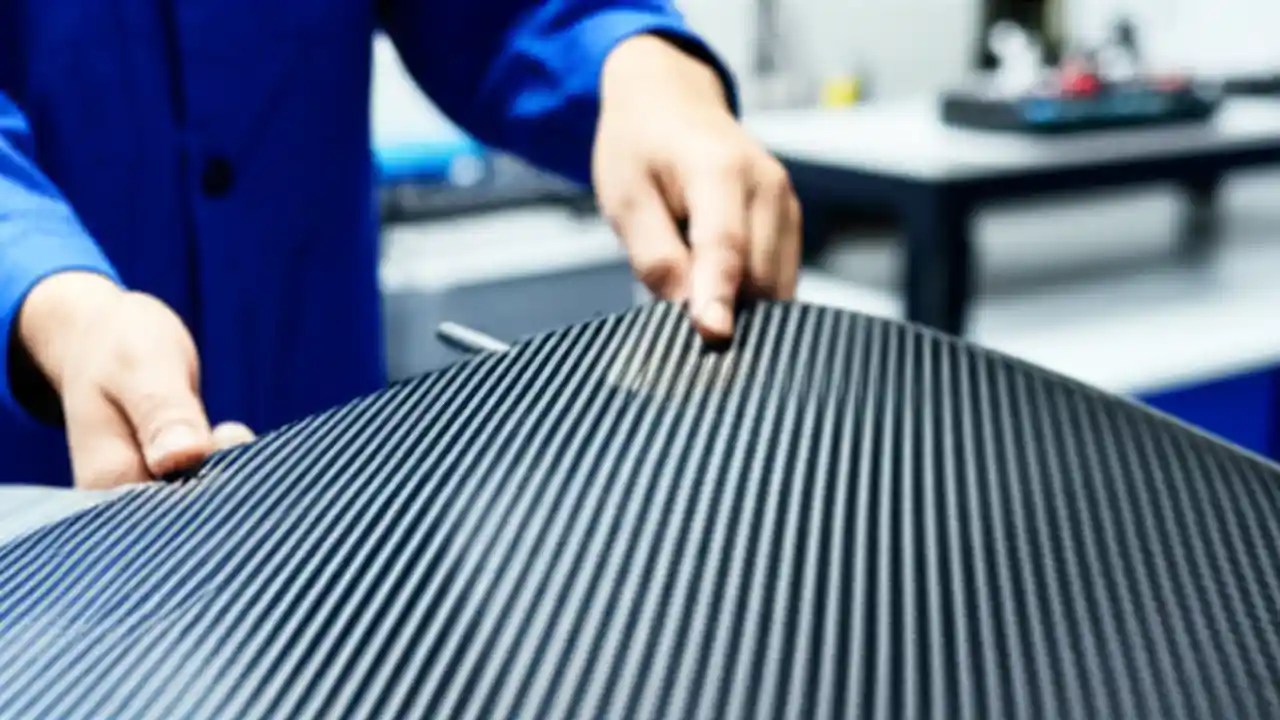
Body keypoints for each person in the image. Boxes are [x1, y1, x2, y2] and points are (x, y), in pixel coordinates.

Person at [0, 1, 801, 489]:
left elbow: (507, 10)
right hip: (42, 518)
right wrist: (53, 302)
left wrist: (638, 63)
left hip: (337, 486)